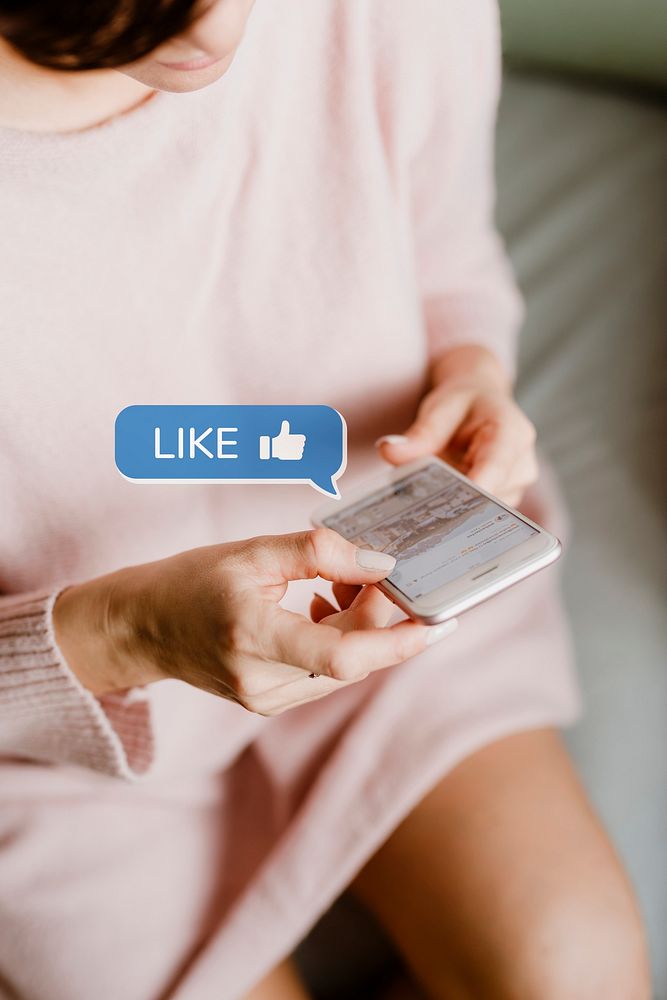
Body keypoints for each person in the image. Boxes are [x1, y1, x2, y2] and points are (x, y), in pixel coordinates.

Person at [0, 1, 650, 998]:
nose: (217, 35)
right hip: (60, 745)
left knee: (576, 967)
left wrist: (472, 369)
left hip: (395, 595)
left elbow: (446, 245)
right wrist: (124, 633)